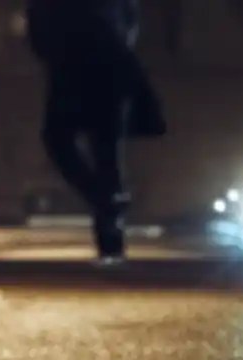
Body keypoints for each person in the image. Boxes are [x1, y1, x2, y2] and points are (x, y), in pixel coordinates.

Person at [27, 0, 165, 264]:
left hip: (82, 66)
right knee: (102, 151)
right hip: (99, 64)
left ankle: (108, 224)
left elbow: (38, 23)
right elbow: (131, 20)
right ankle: (109, 224)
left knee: (87, 147)